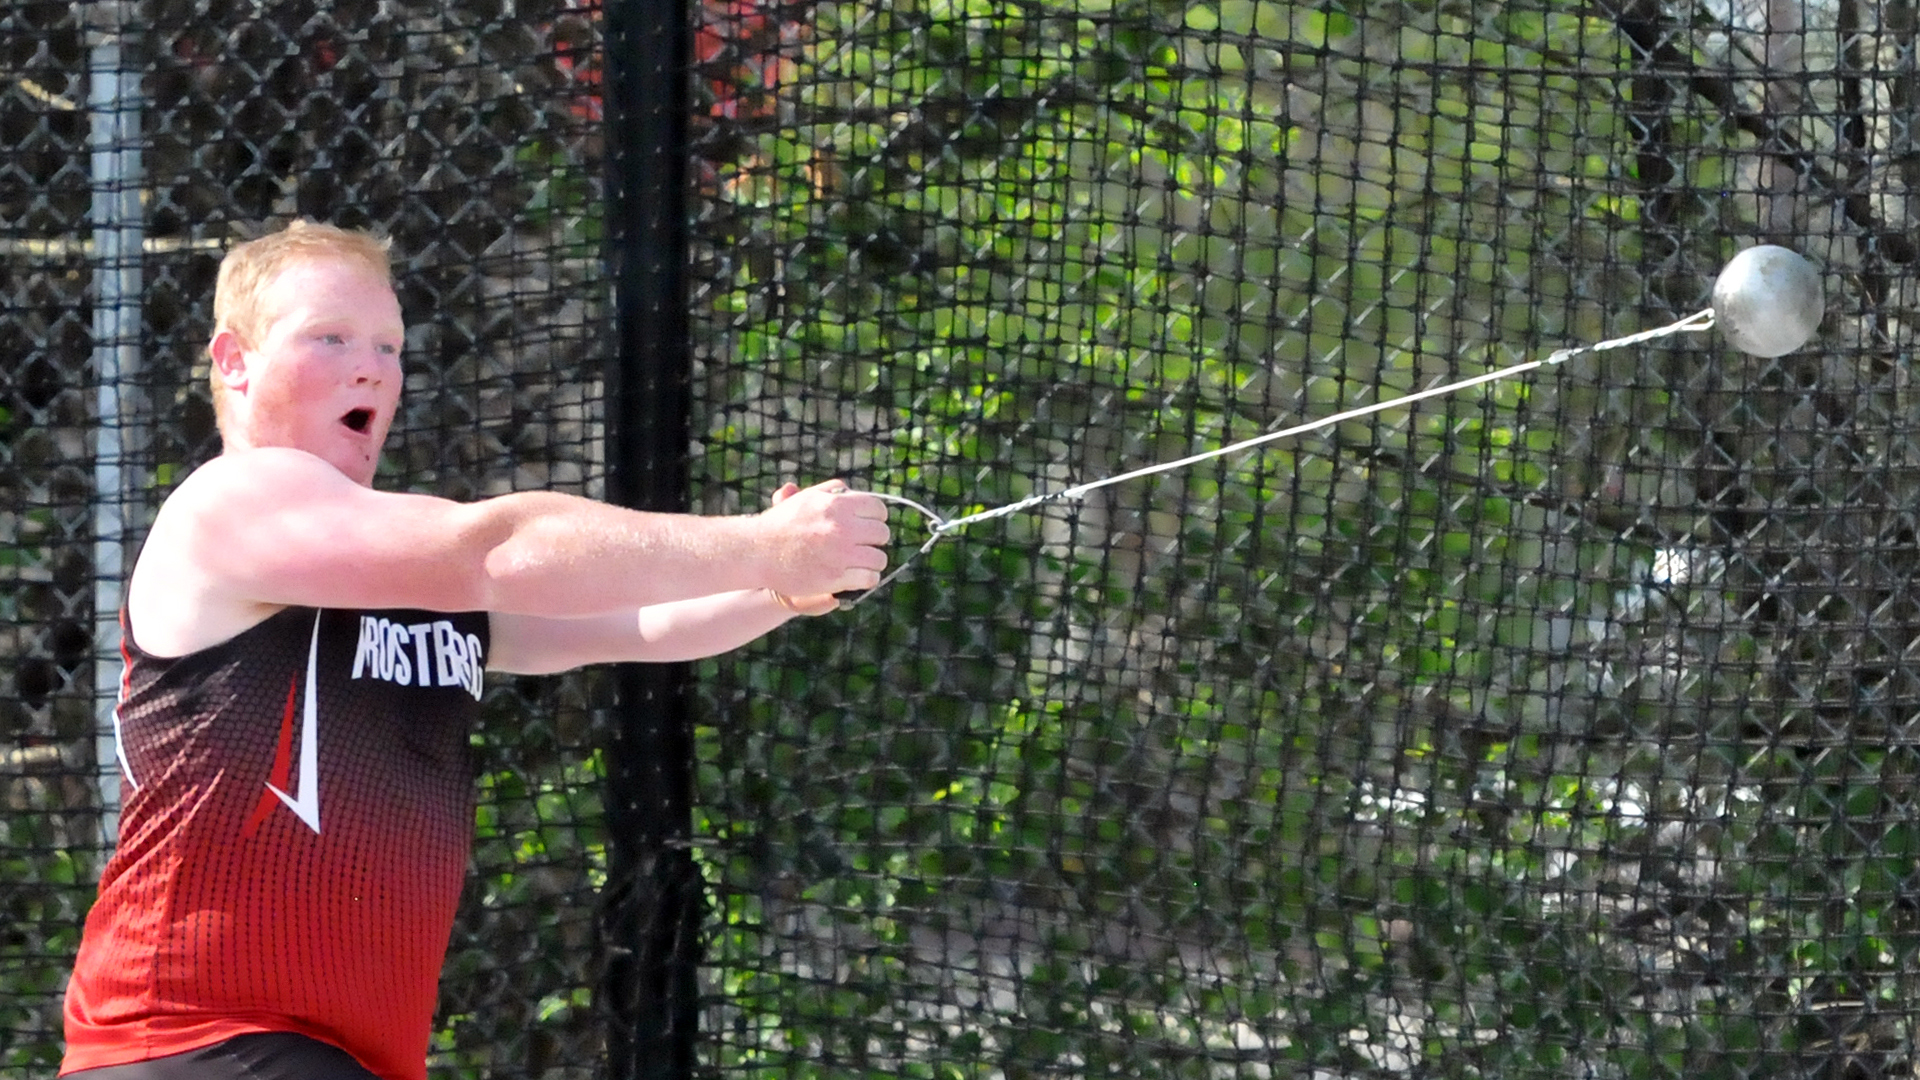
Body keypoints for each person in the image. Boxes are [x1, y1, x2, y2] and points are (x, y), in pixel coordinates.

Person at [59, 220, 889, 1080]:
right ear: (235, 361)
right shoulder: (235, 500)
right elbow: (496, 550)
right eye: (329, 337)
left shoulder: (394, 567)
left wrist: (778, 587)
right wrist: (760, 543)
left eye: (388, 345)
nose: (371, 366)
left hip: (316, 1056)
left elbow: (635, 622)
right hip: (194, 1040)